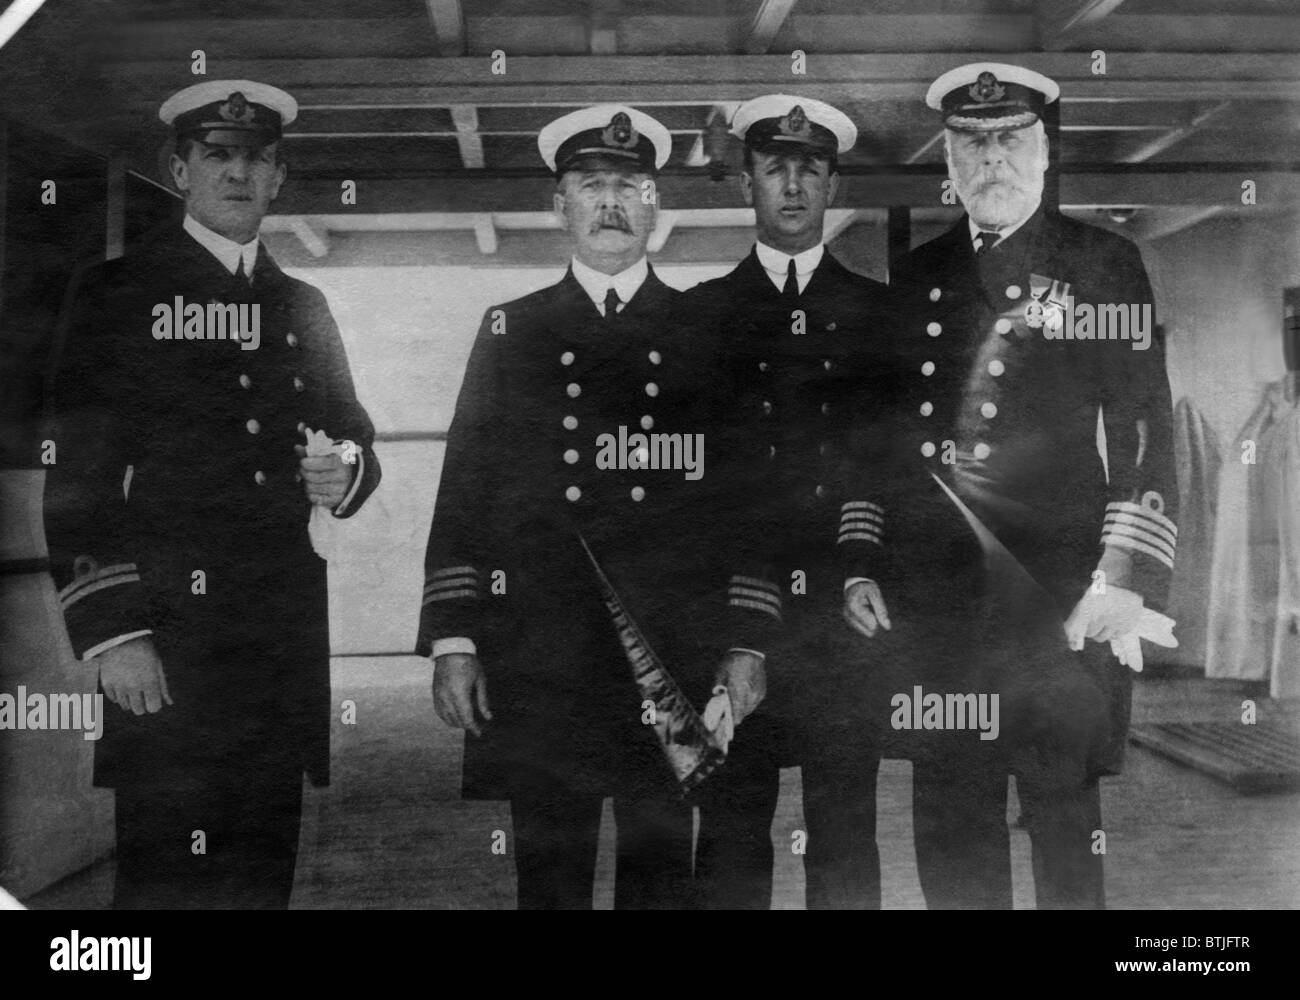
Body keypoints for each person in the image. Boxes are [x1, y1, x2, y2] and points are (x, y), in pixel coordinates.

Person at [43, 79, 381, 908]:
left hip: (279, 648)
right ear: (180, 168)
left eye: (257, 159)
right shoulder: (117, 293)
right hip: (167, 646)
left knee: (262, 882)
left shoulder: (306, 306)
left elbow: (355, 436)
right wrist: (115, 631)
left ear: (277, 179)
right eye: (217, 155)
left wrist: (344, 469)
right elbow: (77, 474)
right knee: (165, 888)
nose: (238, 172)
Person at [872, 62, 1178, 908]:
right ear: (948, 164)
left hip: (1061, 595)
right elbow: (890, 444)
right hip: (942, 597)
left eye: (1011, 138)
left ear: (1046, 156)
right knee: (950, 816)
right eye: (971, 142)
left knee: (1061, 815)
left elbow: (1143, 428)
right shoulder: (915, 277)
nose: (992, 158)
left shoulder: (1103, 264)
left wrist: (1124, 576)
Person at [418, 105, 739, 909]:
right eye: (590, 185)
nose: (611, 203)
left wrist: (746, 639)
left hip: (667, 651)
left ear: (654, 207)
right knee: (549, 880)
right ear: (559, 206)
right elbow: (467, 485)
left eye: (630, 187)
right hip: (543, 652)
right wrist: (455, 637)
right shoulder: (511, 330)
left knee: (661, 880)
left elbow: (744, 501)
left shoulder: (704, 332)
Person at [683, 95, 897, 909]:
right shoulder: (700, 316)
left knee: (847, 834)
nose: (795, 185)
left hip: (843, 620)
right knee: (733, 833)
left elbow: (884, 466)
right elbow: (695, 488)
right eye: (776, 169)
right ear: (748, 184)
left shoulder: (878, 314)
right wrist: (738, 627)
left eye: (811, 169)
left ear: (832, 183)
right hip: (735, 625)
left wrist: (857, 566)